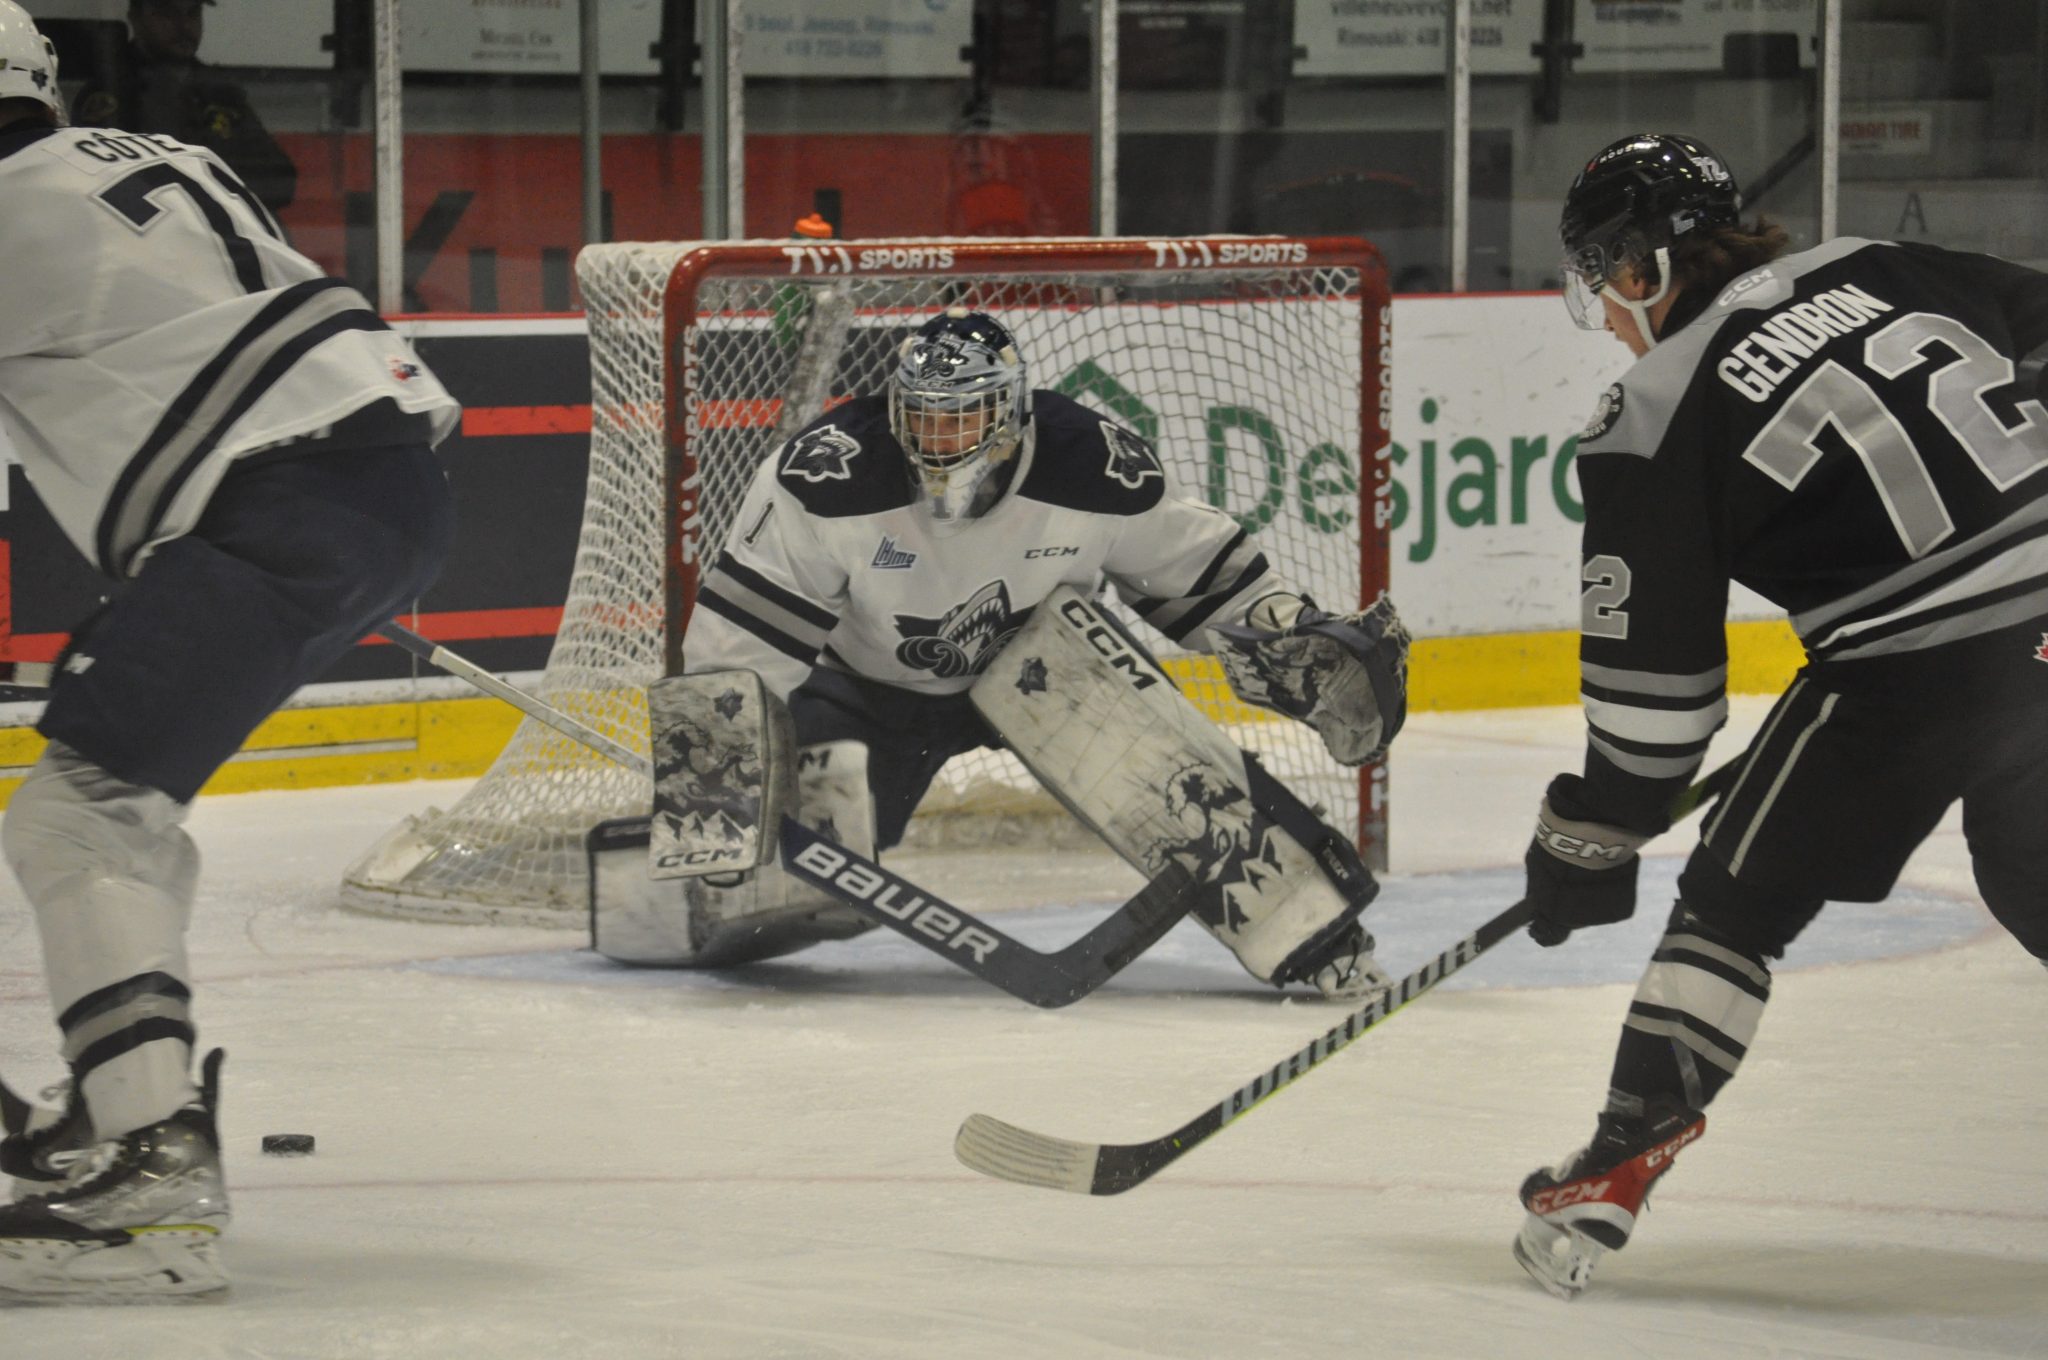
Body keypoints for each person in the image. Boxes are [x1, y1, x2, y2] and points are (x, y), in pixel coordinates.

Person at [1510, 132, 2048, 1299]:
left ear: (1643, 267)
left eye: (1601, 280)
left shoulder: (1651, 406)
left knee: (1733, 902)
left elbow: (1654, 704)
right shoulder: (1880, 263)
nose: (1606, 317)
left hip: (1910, 670)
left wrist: (1588, 836)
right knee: (2030, 866)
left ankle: (1615, 1162)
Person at [0, 2, 458, 1302]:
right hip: (373, 477)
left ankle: (150, 1155)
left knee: (80, 817)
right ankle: (119, 1109)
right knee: (118, 803)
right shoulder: (151, 153)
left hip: (276, 500)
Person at [675, 305, 1407, 1000]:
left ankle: (1316, 934)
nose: (940, 438)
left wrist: (1286, 628)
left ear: (1012, 411)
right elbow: (742, 639)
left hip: (1044, 667)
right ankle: (690, 912)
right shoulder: (826, 477)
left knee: (1185, 785)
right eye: (924, 417)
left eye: (963, 416)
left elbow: (1197, 572)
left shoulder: (1091, 464)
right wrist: (715, 787)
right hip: (866, 689)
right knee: (790, 877)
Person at [72, 0, 297, 219]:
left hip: (221, 227)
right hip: (151, 230)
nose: (184, 25)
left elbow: (281, 182)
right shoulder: (114, 91)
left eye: (193, 13)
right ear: (136, 18)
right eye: (167, 14)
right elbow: (102, 183)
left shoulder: (220, 91)